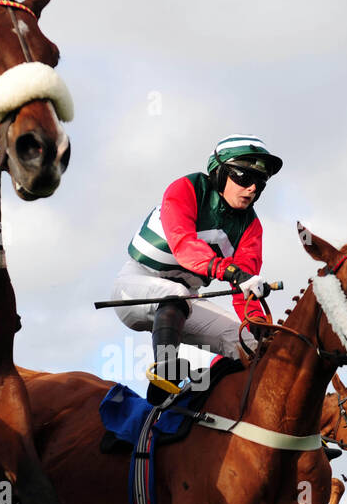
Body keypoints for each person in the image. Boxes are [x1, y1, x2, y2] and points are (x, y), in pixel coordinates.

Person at [110, 134, 283, 404]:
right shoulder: (187, 188)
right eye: (243, 177)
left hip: (185, 301)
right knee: (176, 293)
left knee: (252, 346)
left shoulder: (251, 227)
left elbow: (243, 291)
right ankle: (165, 373)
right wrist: (233, 274)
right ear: (219, 172)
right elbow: (184, 245)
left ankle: (202, 395)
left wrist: (260, 326)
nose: (251, 189)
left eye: (259, 183)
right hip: (134, 287)